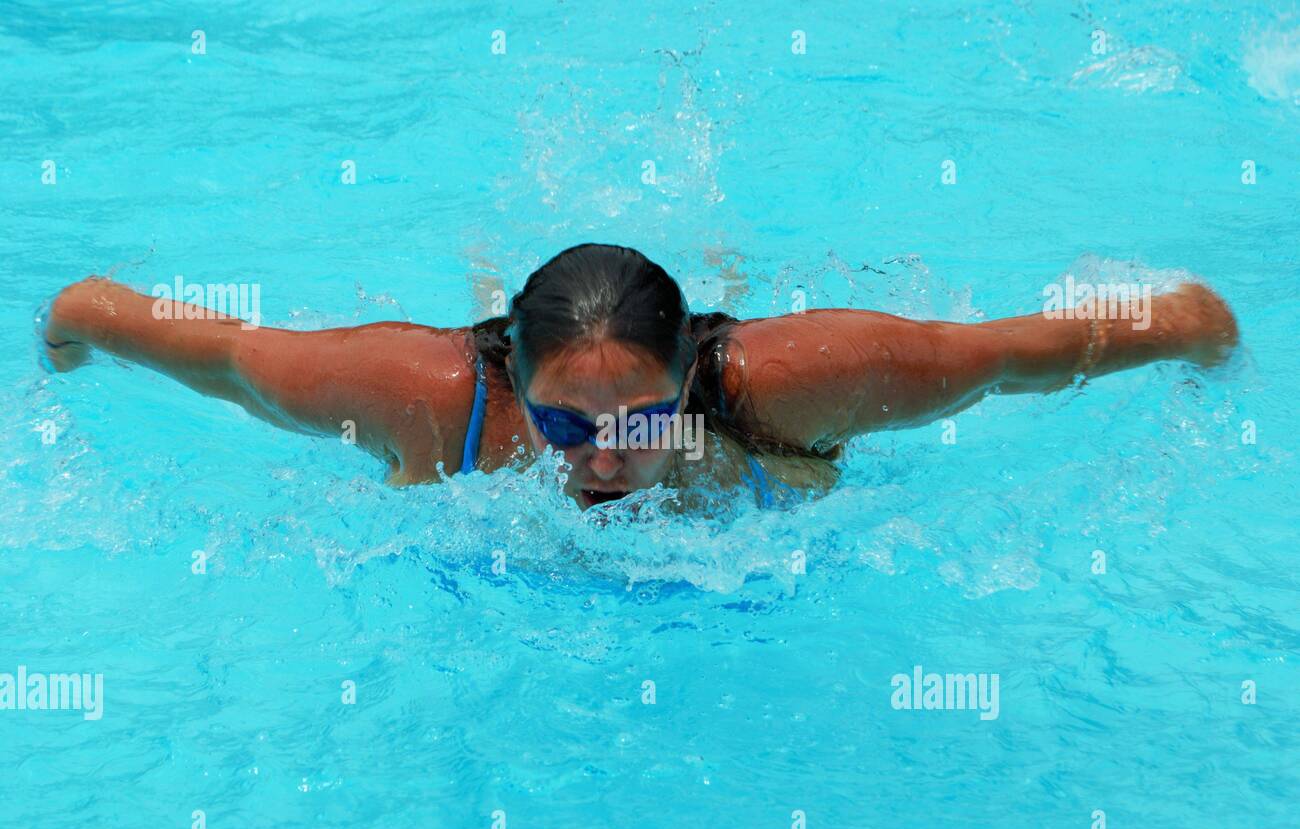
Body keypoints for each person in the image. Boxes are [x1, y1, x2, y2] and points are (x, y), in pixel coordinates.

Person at [40, 243, 1239, 510]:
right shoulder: (422, 396)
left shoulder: (804, 379)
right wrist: (73, 333)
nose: (603, 456)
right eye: (567, 422)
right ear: (515, 377)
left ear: (688, 372)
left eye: (637, 418)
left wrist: (1187, 326)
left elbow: (1023, 352)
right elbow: (199, 346)